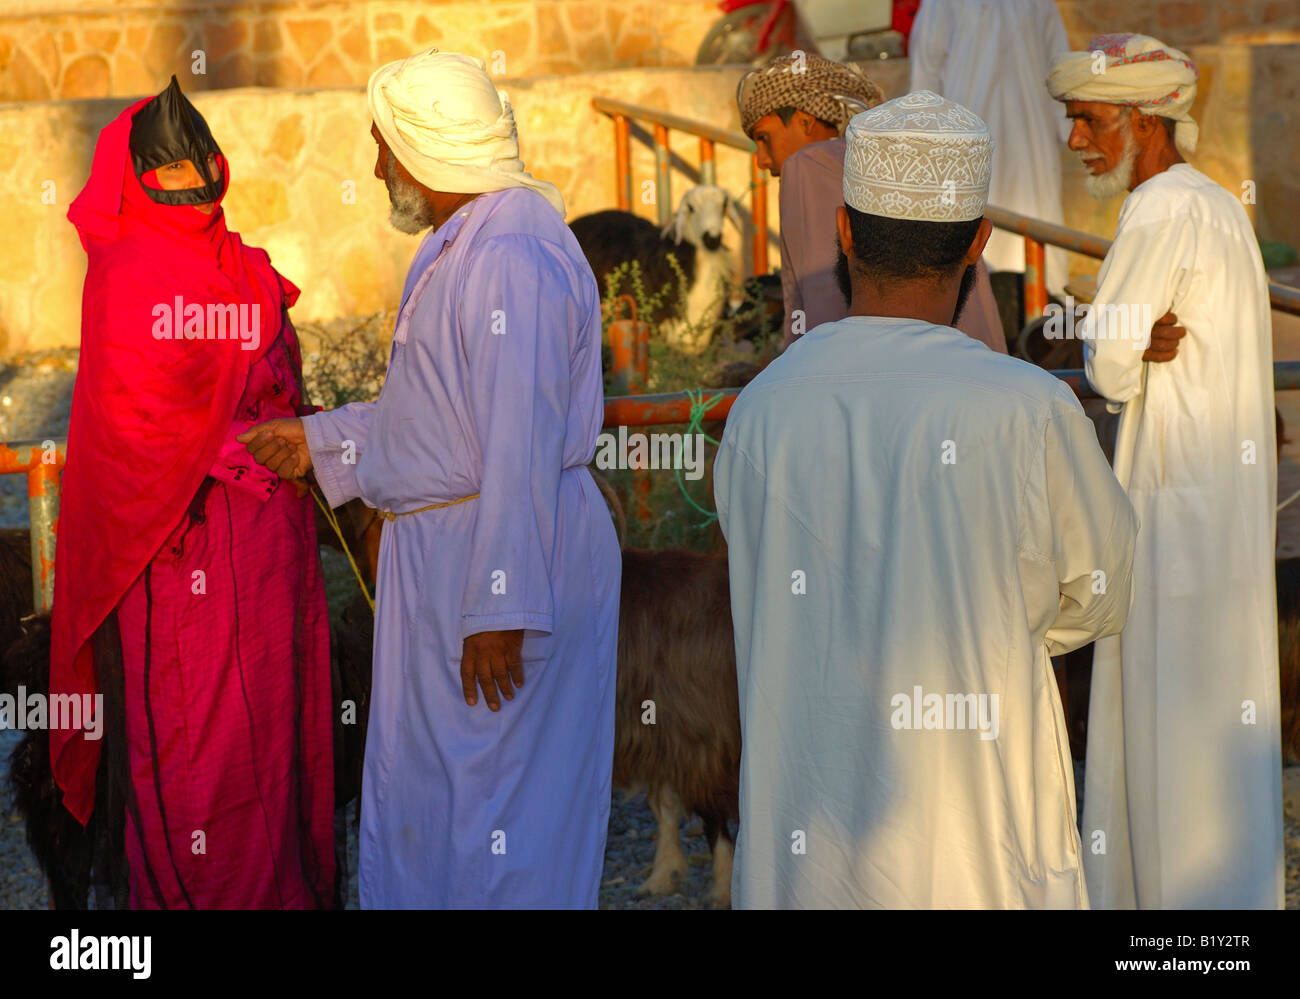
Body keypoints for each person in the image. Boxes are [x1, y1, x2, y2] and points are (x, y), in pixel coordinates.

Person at [715, 90, 1138, 908]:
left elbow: (761, 568)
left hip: (808, 855)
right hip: (977, 849)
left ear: (843, 228)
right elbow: (1102, 587)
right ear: (980, 240)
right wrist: (995, 625)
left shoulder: (764, 409)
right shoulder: (1028, 406)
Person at [240, 49, 621, 909]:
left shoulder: (511, 255)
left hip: (498, 569)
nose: (376, 167)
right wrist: (318, 441)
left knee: (503, 814)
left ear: (421, 148)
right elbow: (442, 412)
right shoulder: (469, 243)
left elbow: (519, 435)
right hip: (457, 558)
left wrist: (502, 604)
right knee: (446, 798)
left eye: (383, 146)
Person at [50, 76, 335, 909]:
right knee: (207, 765)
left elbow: (137, 438)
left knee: (239, 760)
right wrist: (270, 449)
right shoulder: (217, 276)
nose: (189, 197)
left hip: (212, 562)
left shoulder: (151, 274)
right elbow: (140, 438)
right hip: (198, 555)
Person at [1048, 33, 1284, 910]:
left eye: (1090, 119)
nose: (1077, 140)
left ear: (1146, 122)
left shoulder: (1157, 210)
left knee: (1165, 721)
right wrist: (1131, 341)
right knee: (1217, 718)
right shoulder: (1219, 205)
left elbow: (1106, 368)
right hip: (1217, 509)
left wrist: (1119, 341)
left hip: (1172, 511)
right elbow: (1127, 352)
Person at [737, 53, 1005, 352]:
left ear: (805, 121)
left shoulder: (805, 166)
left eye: (764, 138)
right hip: (973, 361)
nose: (761, 160)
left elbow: (815, 298)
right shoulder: (901, 162)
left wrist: (797, 373)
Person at [910, 0, 1071, 294]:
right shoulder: (941, 4)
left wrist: (1069, 127)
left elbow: (1058, 68)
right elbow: (926, 73)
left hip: (1031, 143)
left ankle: (1040, 316)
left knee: (1036, 233)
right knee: (972, 247)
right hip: (964, 145)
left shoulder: (1038, 4)